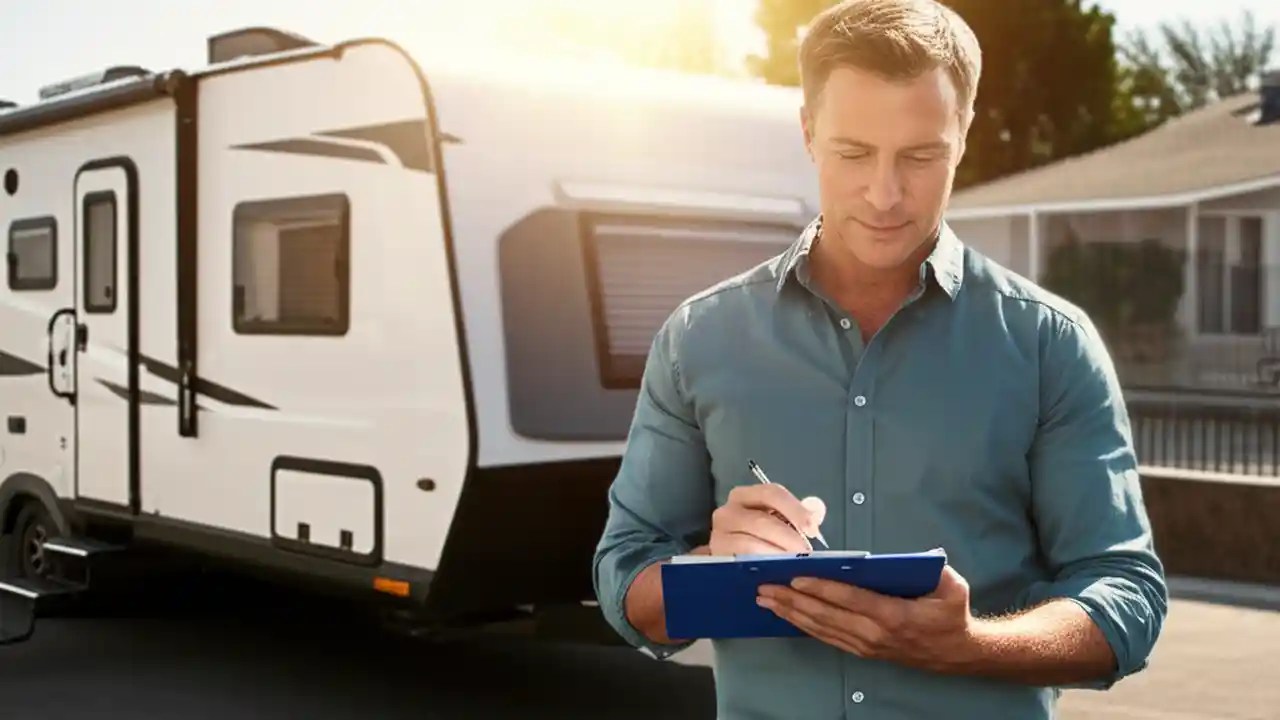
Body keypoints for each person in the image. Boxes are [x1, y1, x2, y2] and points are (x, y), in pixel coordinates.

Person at [592, 0, 1169, 717]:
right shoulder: (699, 338)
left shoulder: (1050, 344)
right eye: (853, 153)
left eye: (920, 156)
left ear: (962, 137)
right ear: (808, 134)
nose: (885, 193)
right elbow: (625, 582)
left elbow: (1125, 593)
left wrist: (969, 647)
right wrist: (709, 571)